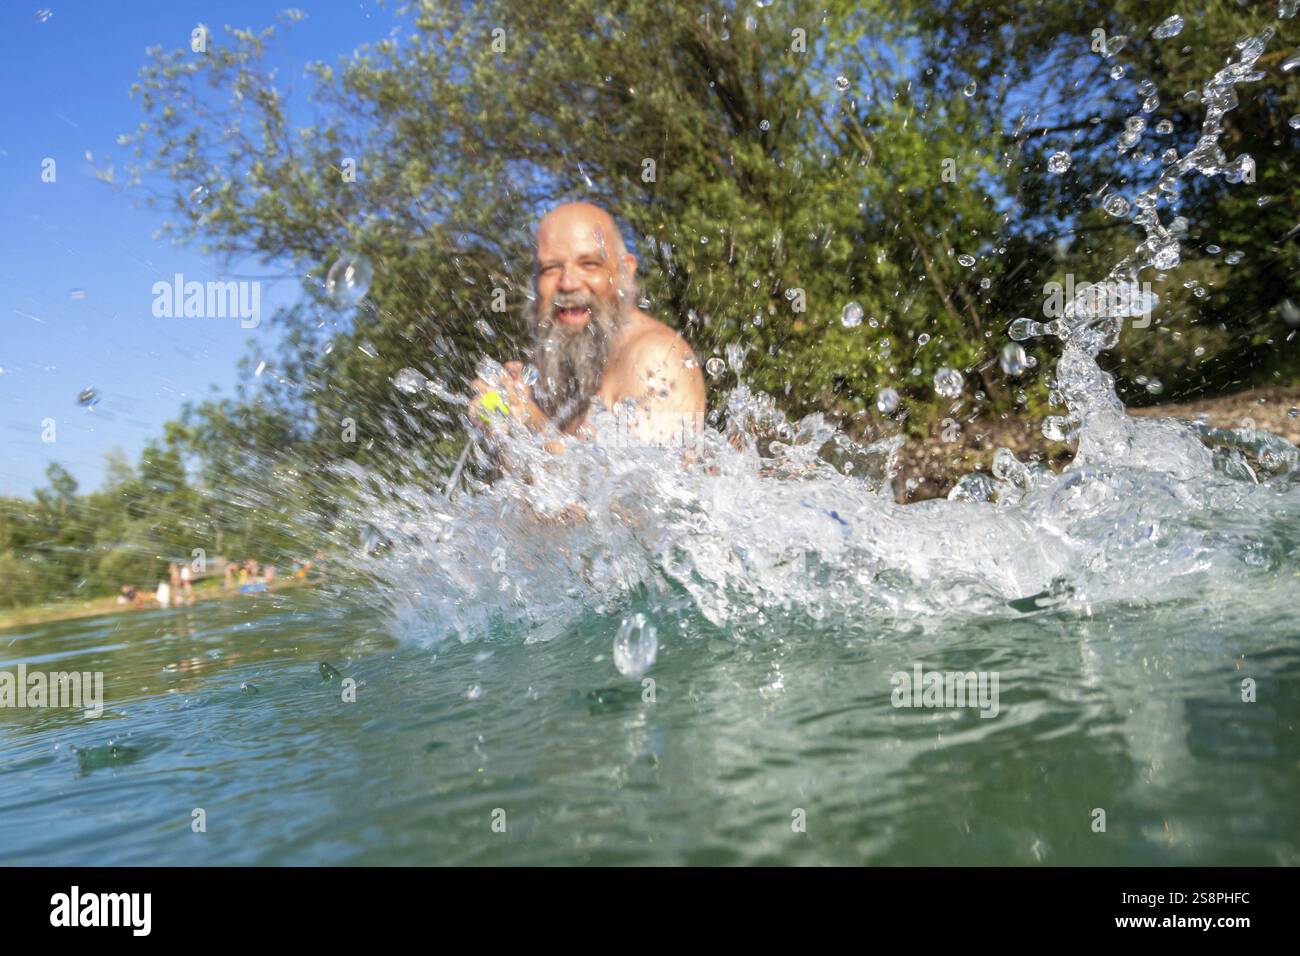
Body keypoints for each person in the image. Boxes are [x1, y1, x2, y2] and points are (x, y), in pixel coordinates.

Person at [471, 202, 706, 447]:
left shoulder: (656, 360)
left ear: (625, 271)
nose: (568, 283)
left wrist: (527, 418)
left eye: (589, 264)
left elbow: (647, 482)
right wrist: (507, 421)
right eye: (551, 268)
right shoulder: (557, 370)